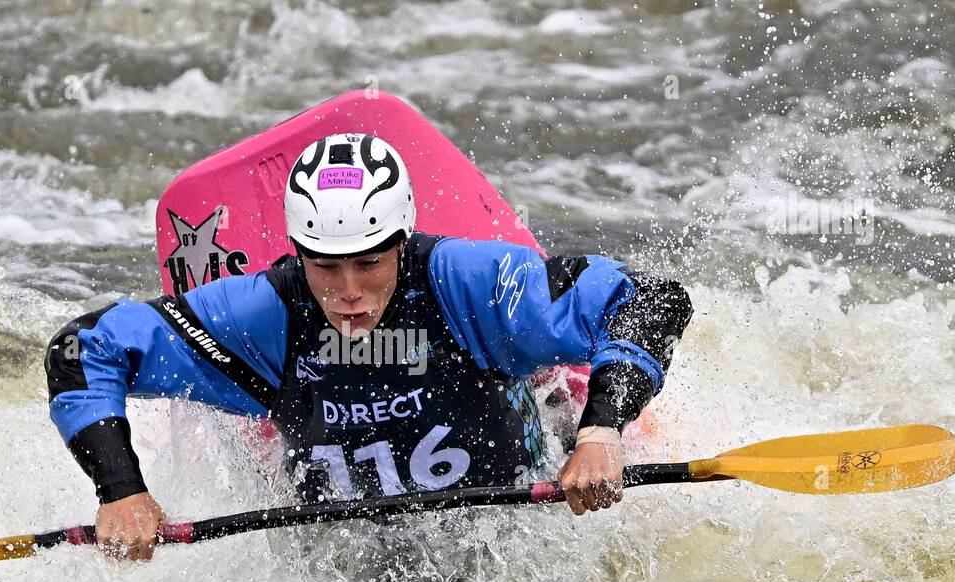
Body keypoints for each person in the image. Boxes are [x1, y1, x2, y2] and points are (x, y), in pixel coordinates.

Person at [45, 132, 693, 560]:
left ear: (403, 241)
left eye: (371, 263)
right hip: (344, 567)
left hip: (514, 537)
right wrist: (120, 489)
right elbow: (83, 349)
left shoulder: (472, 284)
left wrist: (602, 431)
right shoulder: (263, 313)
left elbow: (653, 298)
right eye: (326, 267)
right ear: (298, 253)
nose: (349, 293)